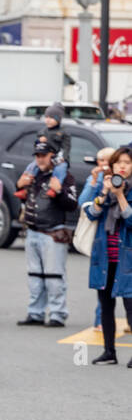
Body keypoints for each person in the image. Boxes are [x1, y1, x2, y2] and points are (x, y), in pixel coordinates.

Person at [17, 139, 77, 327]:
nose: (40, 159)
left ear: (53, 155)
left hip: (53, 233)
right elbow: (22, 196)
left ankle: (58, 314)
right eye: (37, 155)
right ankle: (35, 312)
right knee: (34, 275)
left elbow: (72, 204)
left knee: (54, 276)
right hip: (32, 231)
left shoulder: (64, 176)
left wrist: (59, 192)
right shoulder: (32, 174)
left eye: (43, 155)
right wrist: (20, 186)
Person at [83, 146, 132, 365]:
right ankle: (109, 351)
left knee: (130, 306)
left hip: (127, 258)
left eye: (127, 163)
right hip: (105, 257)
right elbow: (91, 213)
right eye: (118, 162)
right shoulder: (106, 185)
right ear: (111, 166)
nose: (122, 166)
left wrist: (121, 196)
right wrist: (103, 193)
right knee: (106, 305)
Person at [17, 103, 71, 200]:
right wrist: (39, 141)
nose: (48, 120)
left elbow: (66, 147)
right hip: (44, 157)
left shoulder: (63, 132)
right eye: (46, 117)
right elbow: (36, 147)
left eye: (51, 117)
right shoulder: (42, 131)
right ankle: (24, 189)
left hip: (58, 158)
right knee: (31, 167)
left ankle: (53, 189)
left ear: (58, 119)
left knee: (60, 169)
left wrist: (63, 158)